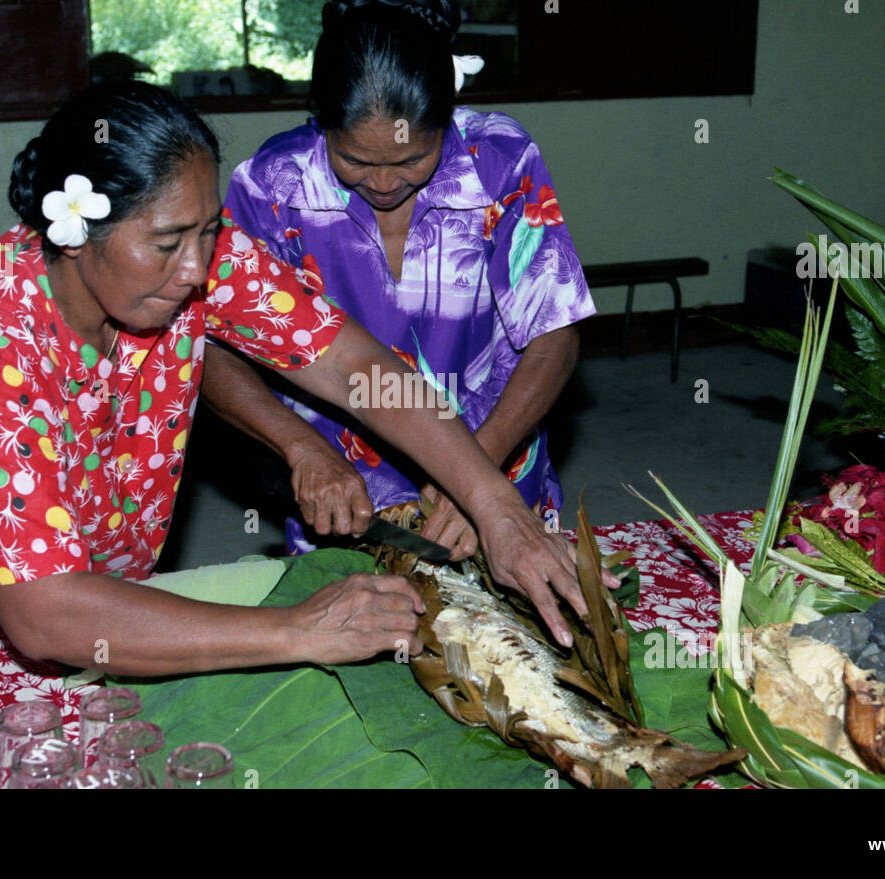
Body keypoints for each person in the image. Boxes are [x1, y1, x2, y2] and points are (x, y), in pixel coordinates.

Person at [0, 80, 591, 678]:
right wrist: (297, 629)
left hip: (107, 583)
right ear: (72, 234)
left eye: (208, 231)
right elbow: (45, 614)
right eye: (169, 242)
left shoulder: (199, 260)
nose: (201, 269)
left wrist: (497, 508)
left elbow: (359, 369)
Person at [203, 0, 594, 562]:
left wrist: (476, 480)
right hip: (346, 492)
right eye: (354, 159)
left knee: (512, 642)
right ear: (321, 119)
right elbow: (215, 346)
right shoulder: (273, 186)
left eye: (413, 158)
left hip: (496, 453)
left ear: (448, 115)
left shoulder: (500, 162)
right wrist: (301, 447)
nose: (384, 183)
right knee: (349, 635)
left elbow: (553, 335)